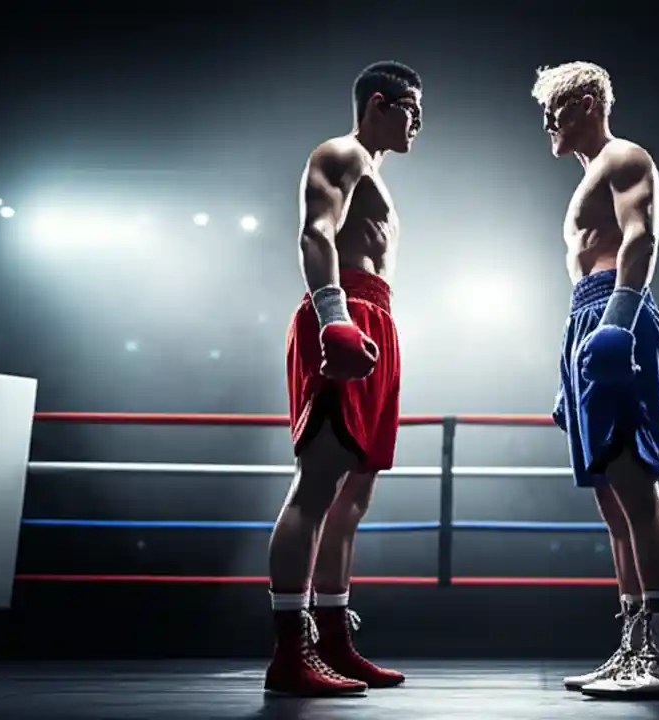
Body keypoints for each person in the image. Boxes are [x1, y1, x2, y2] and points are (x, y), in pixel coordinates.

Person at [264, 60, 423, 697]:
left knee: (353, 497)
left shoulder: (375, 173)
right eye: (412, 111)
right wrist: (334, 317)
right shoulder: (340, 152)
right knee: (316, 486)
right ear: (379, 103)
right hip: (345, 311)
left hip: (377, 315)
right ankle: (289, 651)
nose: (418, 125)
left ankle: (333, 640)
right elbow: (316, 233)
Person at [531, 61, 659, 699]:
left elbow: (639, 240)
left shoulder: (625, 157)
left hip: (615, 314)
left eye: (556, 108)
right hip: (585, 319)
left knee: (635, 487)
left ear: (589, 103)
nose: (547, 122)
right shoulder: (591, 173)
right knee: (611, 501)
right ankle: (633, 649)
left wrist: (616, 324)